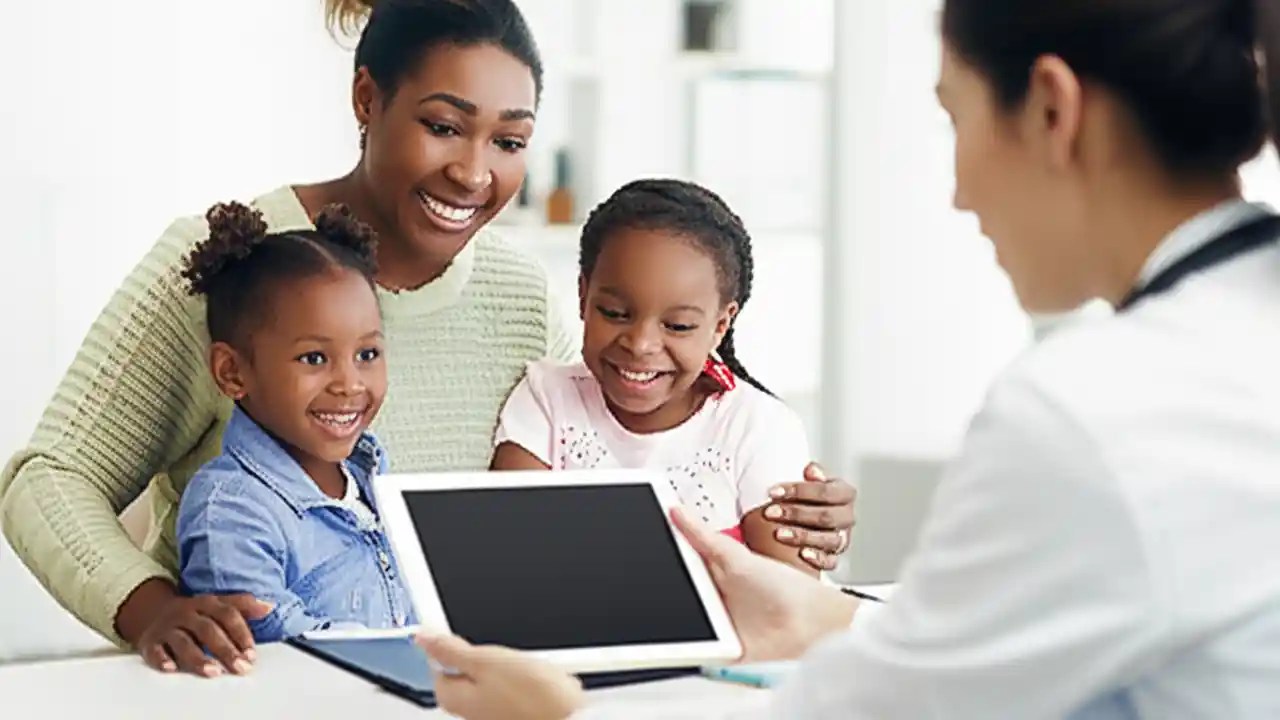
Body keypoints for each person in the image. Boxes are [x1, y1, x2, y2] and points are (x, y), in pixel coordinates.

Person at [413, 0, 1280, 717]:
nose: (957, 191)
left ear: (1052, 109)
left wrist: (560, 713)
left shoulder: (1093, 413)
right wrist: (825, 617)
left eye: (955, 118)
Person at [0, 0, 856, 678]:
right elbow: (50, 479)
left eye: (510, 140)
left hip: (447, 690)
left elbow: (593, 476)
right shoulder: (238, 265)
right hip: (252, 686)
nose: (475, 172)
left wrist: (788, 513)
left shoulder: (520, 291)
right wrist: (149, 608)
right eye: (444, 126)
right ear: (368, 99)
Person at [493, 179, 818, 574]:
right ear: (583, 297)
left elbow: (790, 601)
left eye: (678, 326)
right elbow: (511, 559)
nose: (641, 343)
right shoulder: (546, 399)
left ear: (720, 324)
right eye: (614, 313)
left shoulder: (758, 427)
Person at [175, 202, 417, 659]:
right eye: (314, 358)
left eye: (367, 354)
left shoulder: (372, 477)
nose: (350, 384)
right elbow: (282, 649)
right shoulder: (232, 508)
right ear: (232, 372)